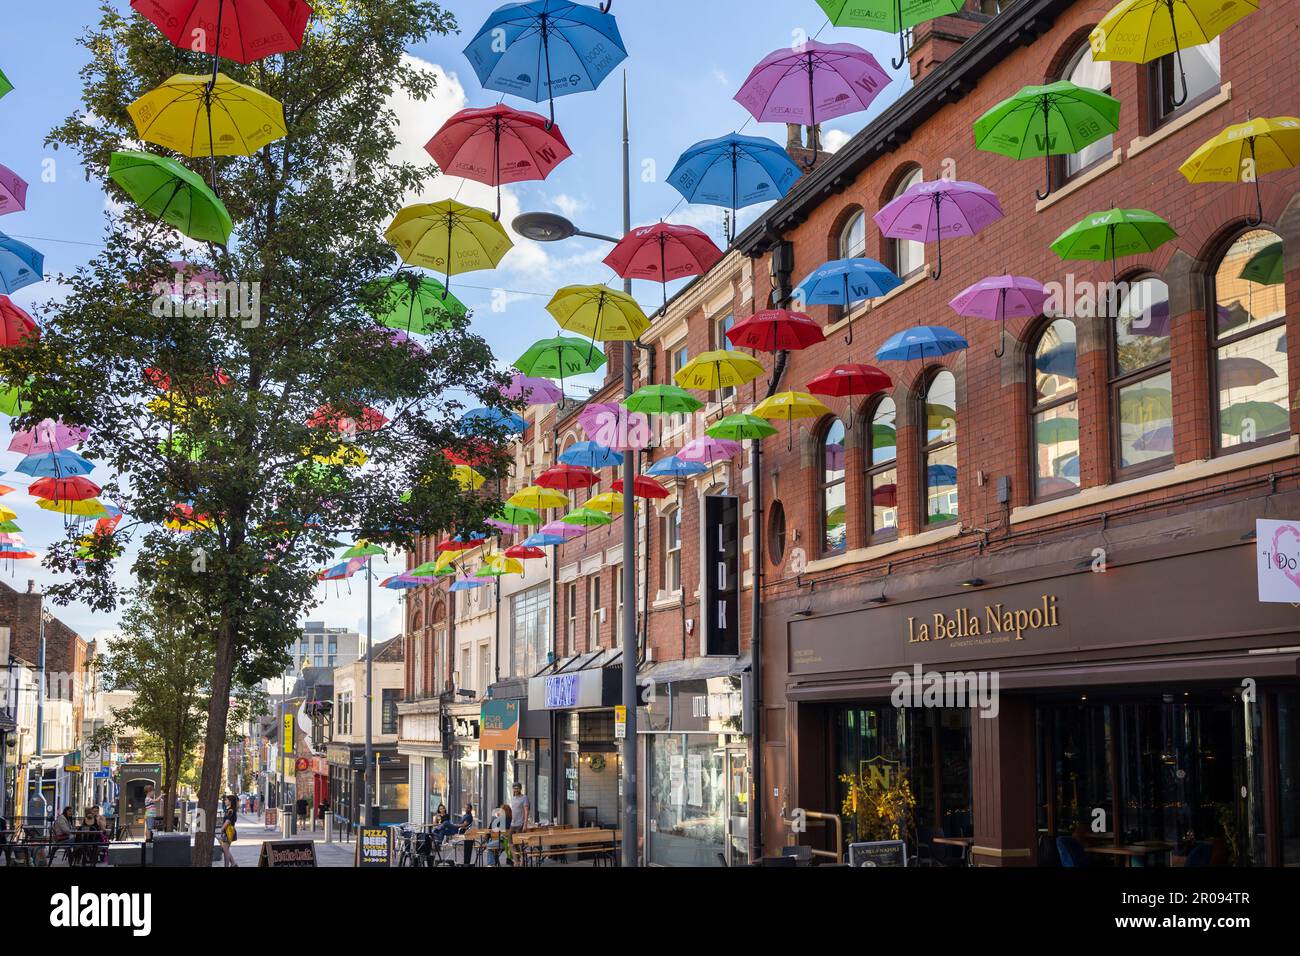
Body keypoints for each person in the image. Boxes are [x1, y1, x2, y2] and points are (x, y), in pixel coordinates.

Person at [218, 795, 239, 868]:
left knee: (225, 850)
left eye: (226, 800)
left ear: (230, 801)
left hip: (228, 831)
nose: (225, 801)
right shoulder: (230, 809)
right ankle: (233, 864)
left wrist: (221, 829)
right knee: (225, 849)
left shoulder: (231, 810)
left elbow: (228, 821)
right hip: (228, 831)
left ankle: (228, 865)